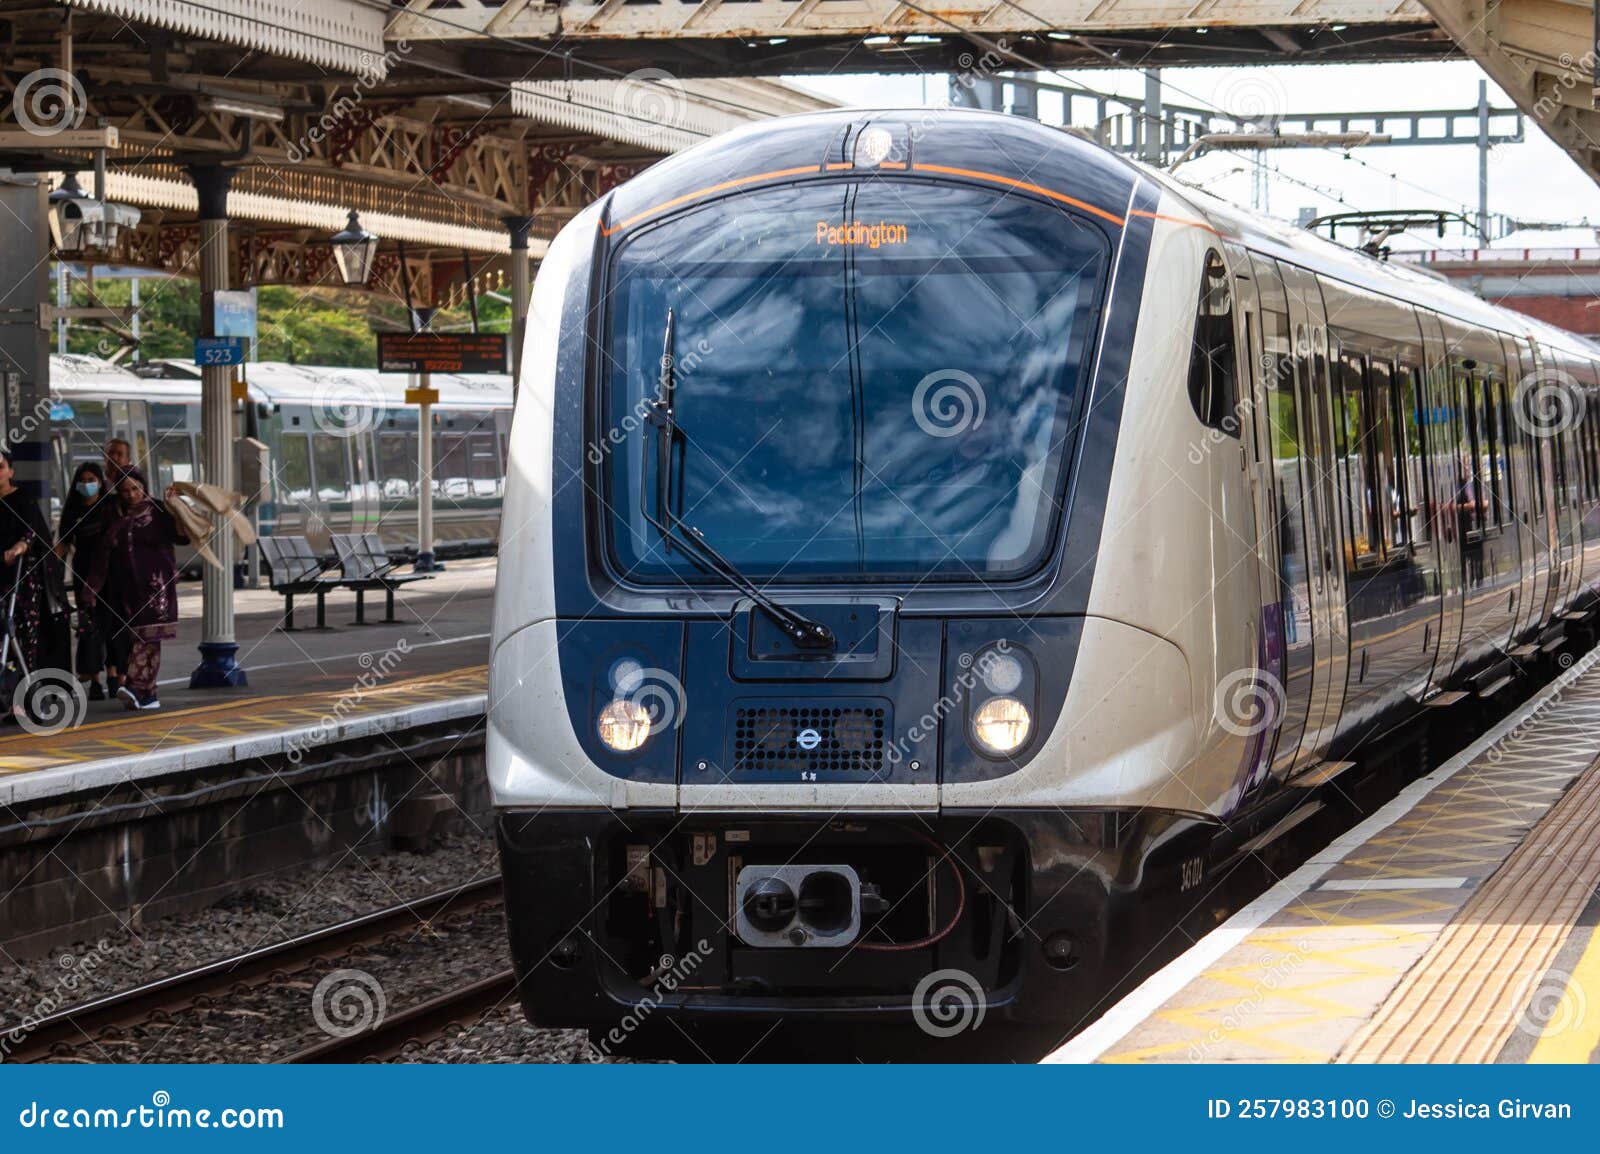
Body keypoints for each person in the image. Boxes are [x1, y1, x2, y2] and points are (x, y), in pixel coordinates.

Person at [87, 468, 187, 712]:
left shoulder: (159, 510)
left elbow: (183, 537)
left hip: (158, 588)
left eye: (135, 488)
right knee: (142, 638)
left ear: (143, 486)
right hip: (129, 590)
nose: (132, 494)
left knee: (147, 637)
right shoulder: (115, 515)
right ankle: (148, 695)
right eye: (126, 490)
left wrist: (177, 506)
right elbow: (103, 555)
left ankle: (134, 685)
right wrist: (91, 588)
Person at [0, 451, 53, 719]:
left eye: (0, 467)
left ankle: (25, 698)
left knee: (23, 636)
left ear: (11, 471)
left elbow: (32, 531)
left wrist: (19, 547)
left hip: (22, 578)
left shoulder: (23, 499)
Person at [56, 461, 111, 699]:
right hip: (83, 573)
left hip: (110, 573)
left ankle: (116, 675)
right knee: (89, 625)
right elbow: (63, 545)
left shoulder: (109, 507)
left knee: (111, 624)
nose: (87, 485)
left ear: (100, 482)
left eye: (91, 480)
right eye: (83, 480)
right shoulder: (72, 510)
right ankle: (95, 680)